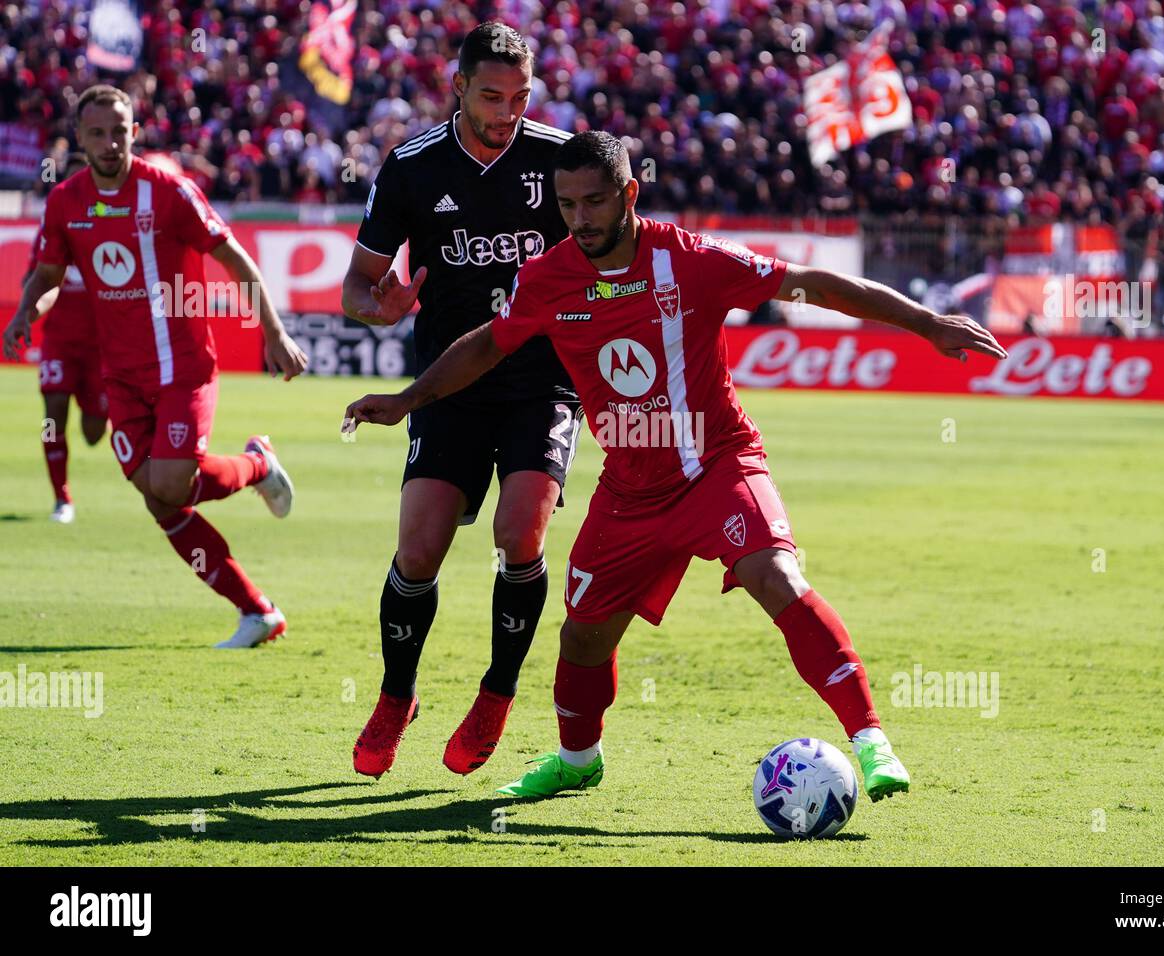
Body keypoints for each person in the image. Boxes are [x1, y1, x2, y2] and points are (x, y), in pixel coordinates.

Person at [342, 132, 1008, 801]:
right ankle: (579, 760)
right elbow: (488, 343)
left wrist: (926, 322)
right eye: (567, 203)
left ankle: (871, 742)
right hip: (630, 491)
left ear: (629, 194)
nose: (581, 218)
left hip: (719, 466)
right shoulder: (548, 277)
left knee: (776, 577)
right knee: (582, 639)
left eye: (596, 201)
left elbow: (808, 284)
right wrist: (407, 400)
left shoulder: (692, 259)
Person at [340, 23, 582, 779]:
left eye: (519, 97)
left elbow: (610, 251)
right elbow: (356, 285)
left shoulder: (560, 159)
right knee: (418, 550)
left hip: (541, 379)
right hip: (449, 379)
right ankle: (396, 696)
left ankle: (497, 692)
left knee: (521, 536)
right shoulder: (411, 166)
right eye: (491, 95)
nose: (507, 111)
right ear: (457, 87)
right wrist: (375, 308)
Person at [3, 85, 308, 648]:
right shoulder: (67, 201)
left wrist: (274, 331)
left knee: (170, 482)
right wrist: (27, 313)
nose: (110, 142)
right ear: (80, 138)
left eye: (119, 130)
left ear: (134, 132)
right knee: (160, 499)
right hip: (121, 376)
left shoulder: (168, 191)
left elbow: (234, 258)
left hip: (183, 367)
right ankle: (257, 611)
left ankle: (256, 466)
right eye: (97, 132)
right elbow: (46, 276)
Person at [18, 153, 108, 523]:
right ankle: (62, 498)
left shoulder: (110, 222)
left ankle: (103, 409)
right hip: (60, 341)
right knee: (53, 413)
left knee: (93, 431)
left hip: (102, 346)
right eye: (67, 183)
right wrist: (29, 305)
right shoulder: (51, 227)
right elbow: (32, 282)